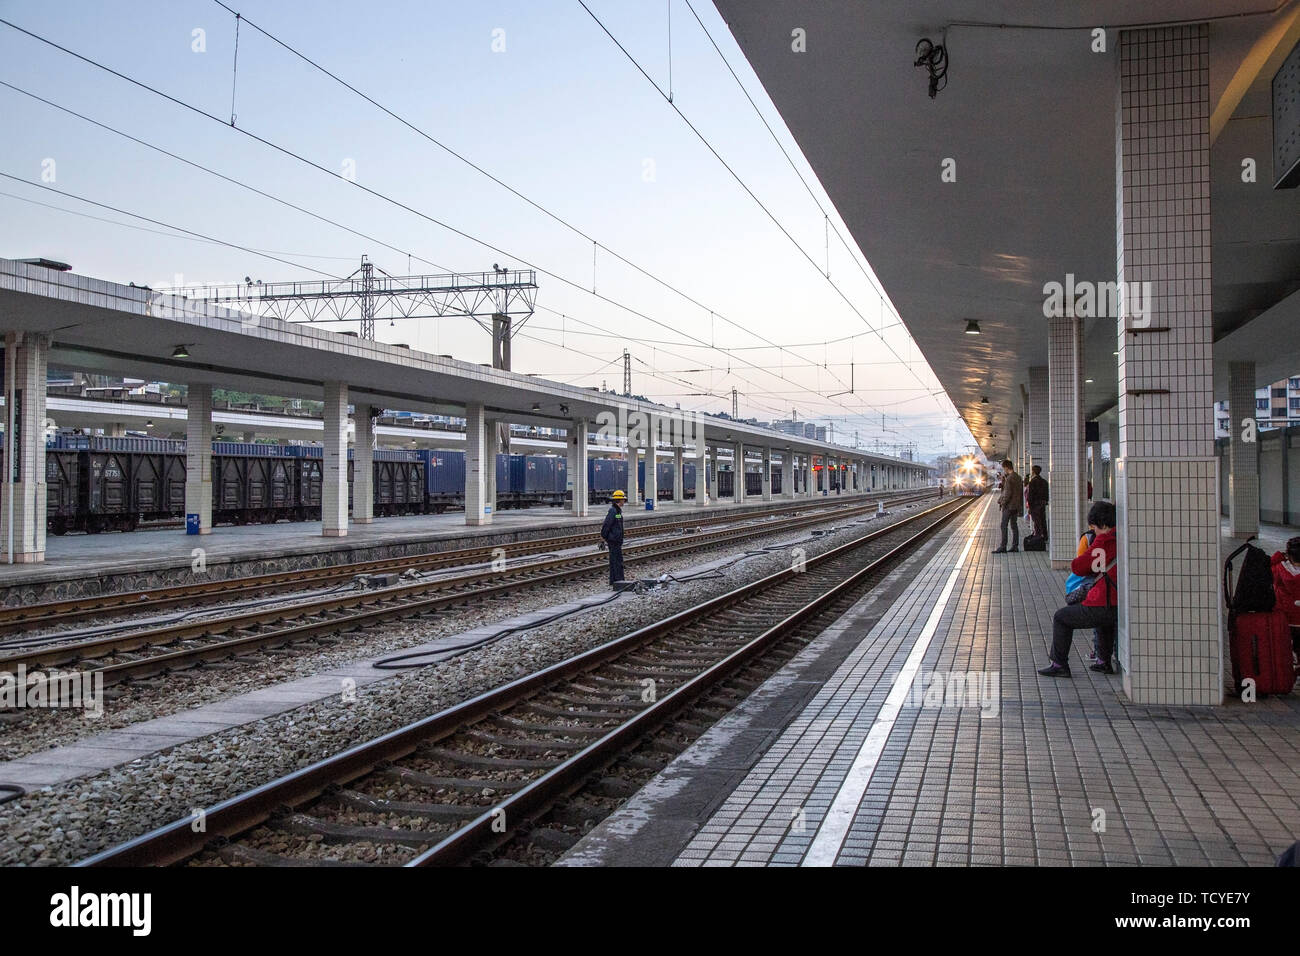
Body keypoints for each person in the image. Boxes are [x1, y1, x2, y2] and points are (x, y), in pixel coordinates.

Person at [1039, 500, 1118, 678]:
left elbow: (1079, 566)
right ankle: (1103, 661)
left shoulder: (1105, 541)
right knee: (1103, 621)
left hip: (1105, 601)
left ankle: (1059, 664)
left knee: (1061, 617)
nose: (1094, 531)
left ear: (1103, 525)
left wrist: (1094, 544)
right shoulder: (1121, 537)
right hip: (1116, 601)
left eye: (1095, 527)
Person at [1270, 536, 1300, 659]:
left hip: (1285, 616)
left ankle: (1291, 667)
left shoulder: (1279, 568)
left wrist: (1279, 556)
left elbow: (1266, 566)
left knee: (1287, 645)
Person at [992, 459, 1023, 554]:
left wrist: (1003, 503)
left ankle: (1003, 546)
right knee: (1014, 525)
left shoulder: (1009, 479)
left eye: (1003, 468)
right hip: (1016, 505)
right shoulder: (1018, 477)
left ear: (1006, 467)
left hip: (1009, 506)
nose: (1004, 470)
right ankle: (1015, 546)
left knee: (1003, 525)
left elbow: (1007, 493)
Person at [600, 489, 626, 586]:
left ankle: (616, 580)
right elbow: (607, 524)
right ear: (619, 500)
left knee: (617, 561)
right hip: (613, 541)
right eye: (623, 499)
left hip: (617, 540)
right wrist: (603, 537)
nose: (624, 501)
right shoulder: (613, 511)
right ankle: (618, 581)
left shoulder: (617, 511)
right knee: (616, 561)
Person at [1025, 465, 1049, 540]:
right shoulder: (1044, 481)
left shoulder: (1032, 482)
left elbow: (1030, 495)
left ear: (1033, 472)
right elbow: (1047, 494)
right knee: (1042, 520)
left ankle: (1038, 537)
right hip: (1042, 504)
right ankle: (1045, 536)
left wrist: (1029, 505)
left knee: (1037, 522)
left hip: (1034, 505)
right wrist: (1045, 502)